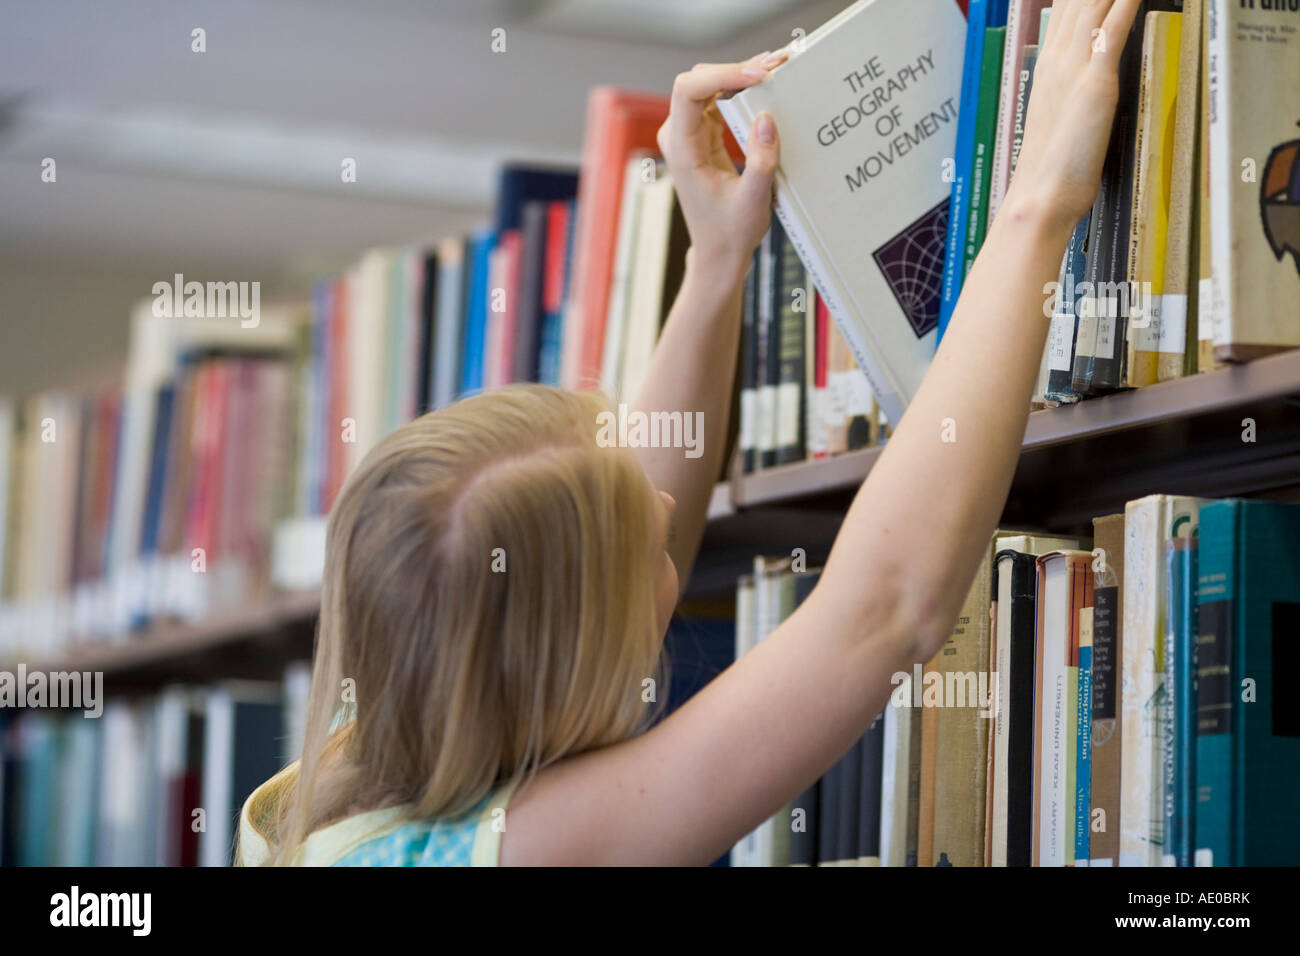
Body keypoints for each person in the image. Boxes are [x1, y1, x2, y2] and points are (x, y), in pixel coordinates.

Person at [238, 0, 1143, 866]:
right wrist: (1034, 207)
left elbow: (608, 545)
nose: (668, 501)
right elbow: (885, 609)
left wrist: (715, 261)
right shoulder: (519, 850)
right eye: (636, 532)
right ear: (570, 650)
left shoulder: (368, 768)